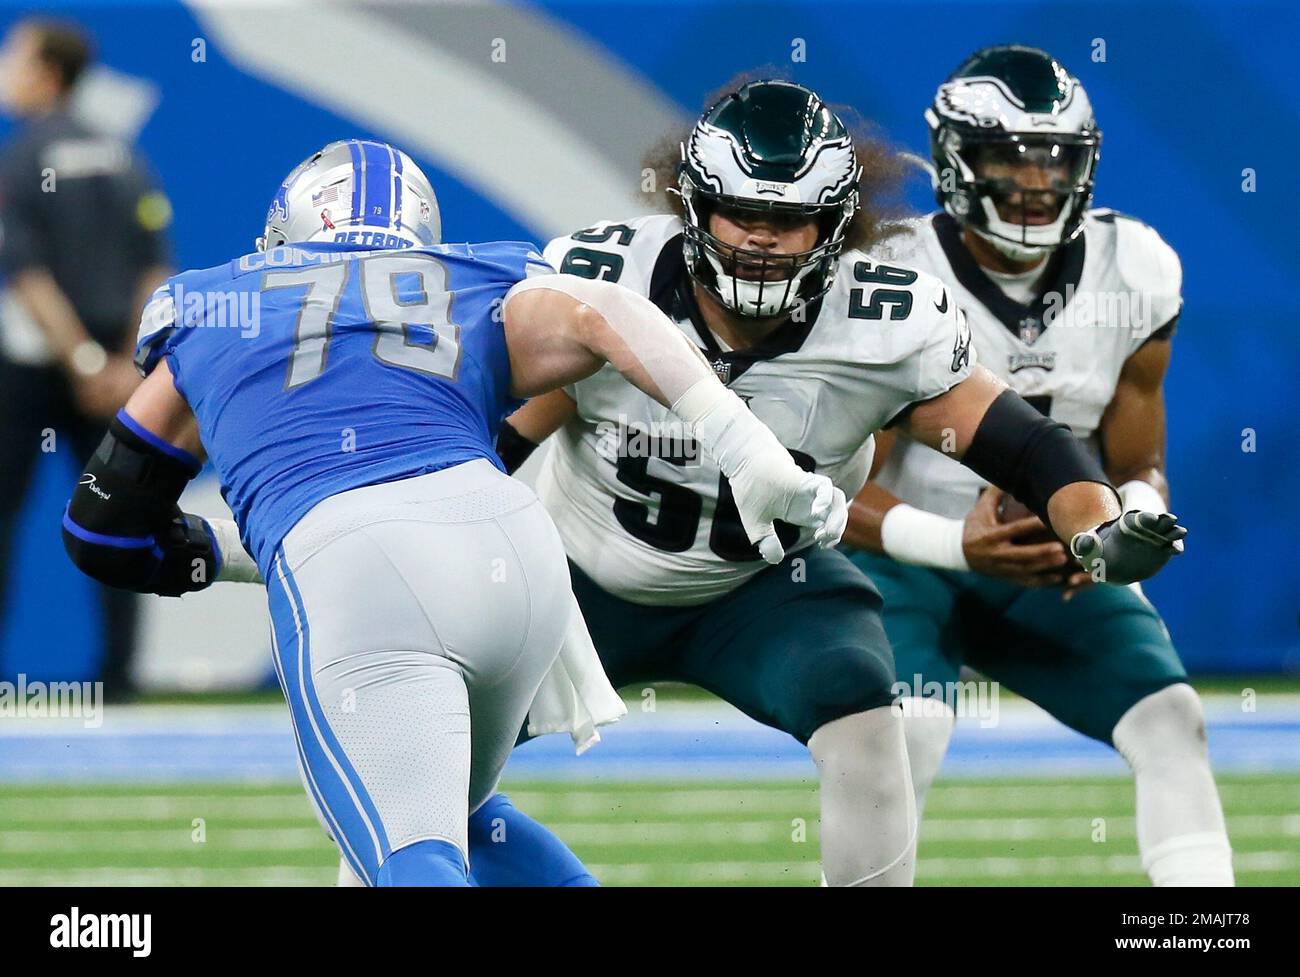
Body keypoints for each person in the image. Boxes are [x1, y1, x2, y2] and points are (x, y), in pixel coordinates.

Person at [60, 138, 845, 886]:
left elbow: (101, 529)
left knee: (410, 853)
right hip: (514, 551)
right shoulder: (474, 279)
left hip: (354, 569)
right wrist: (746, 449)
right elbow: (611, 312)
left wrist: (210, 552)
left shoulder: (217, 306)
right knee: (460, 819)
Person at [496, 80, 1187, 886]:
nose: (760, 240)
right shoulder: (606, 280)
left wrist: (1097, 530)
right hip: (580, 573)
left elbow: (1027, 449)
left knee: (861, 697)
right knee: (435, 725)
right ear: (692, 206)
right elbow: (505, 431)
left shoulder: (880, 321)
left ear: (835, 225)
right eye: (740, 212)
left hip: (761, 585)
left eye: (788, 220)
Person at [841, 46, 1233, 885]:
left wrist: (1123, 524)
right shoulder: (892, 274)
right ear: (954, 161)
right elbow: (831, 493)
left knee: (1172, 719)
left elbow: (1142, 461)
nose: (1033, 181)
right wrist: (954, 547)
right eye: (1006, 157)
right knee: (908, 732)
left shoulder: (1138, 270)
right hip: (911, 559)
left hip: (1064, 558)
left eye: (1053, 158)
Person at [0, 18, 172, 697]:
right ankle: (122, 679)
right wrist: (123, 364)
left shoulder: (19, 158)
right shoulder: (126, 157)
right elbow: (154, 269)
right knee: (119, 515)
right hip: (114, 374)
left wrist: (77, 359)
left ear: (46, 72)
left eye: (13, 57)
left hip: (33, 371)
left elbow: (27, 276)